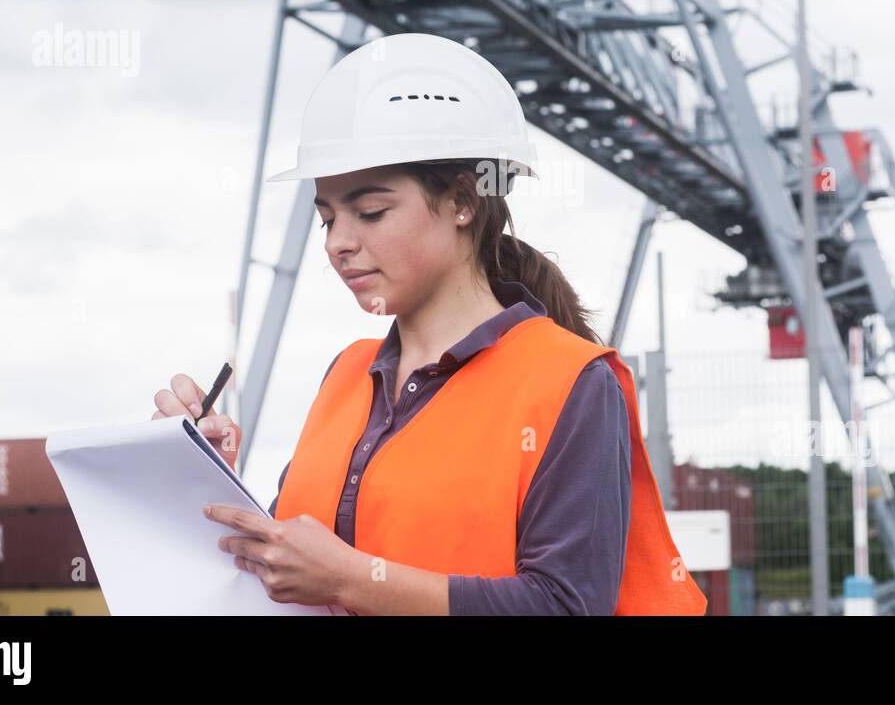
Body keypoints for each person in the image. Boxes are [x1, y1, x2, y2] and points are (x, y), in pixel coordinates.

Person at [153, 33, 706, 616]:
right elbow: (289, 574)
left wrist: (353, 581)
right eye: (327, 218)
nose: (339, 242)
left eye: (370, 212)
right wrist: (206, 475)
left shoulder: (571, 383)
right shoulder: (346, 374)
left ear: (464, 201)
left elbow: (567, 606)